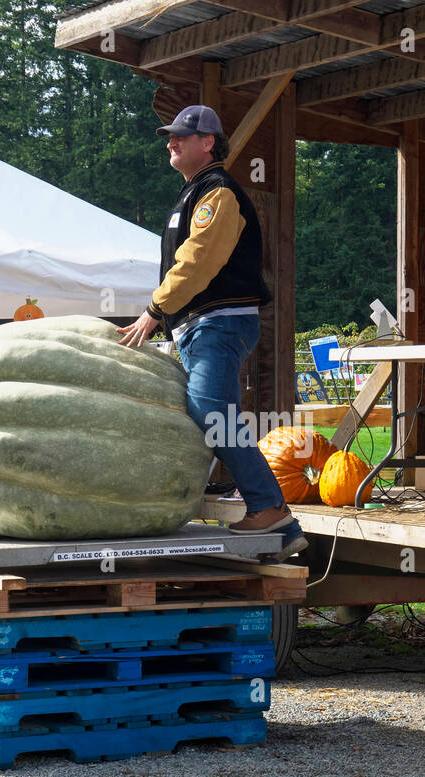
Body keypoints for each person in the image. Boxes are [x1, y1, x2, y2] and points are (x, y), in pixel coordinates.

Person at [117, 104, 306, 560]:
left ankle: (270, 509)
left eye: (181, 136)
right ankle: (266, 515)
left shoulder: (217, 193)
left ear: (208, 144)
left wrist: (154, 311)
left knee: (211, 414)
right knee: (211, 413)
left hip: (218, 323)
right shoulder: (196, 193)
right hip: (204, 325)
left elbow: (199, 261)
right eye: (170, 136)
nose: (171, 142)